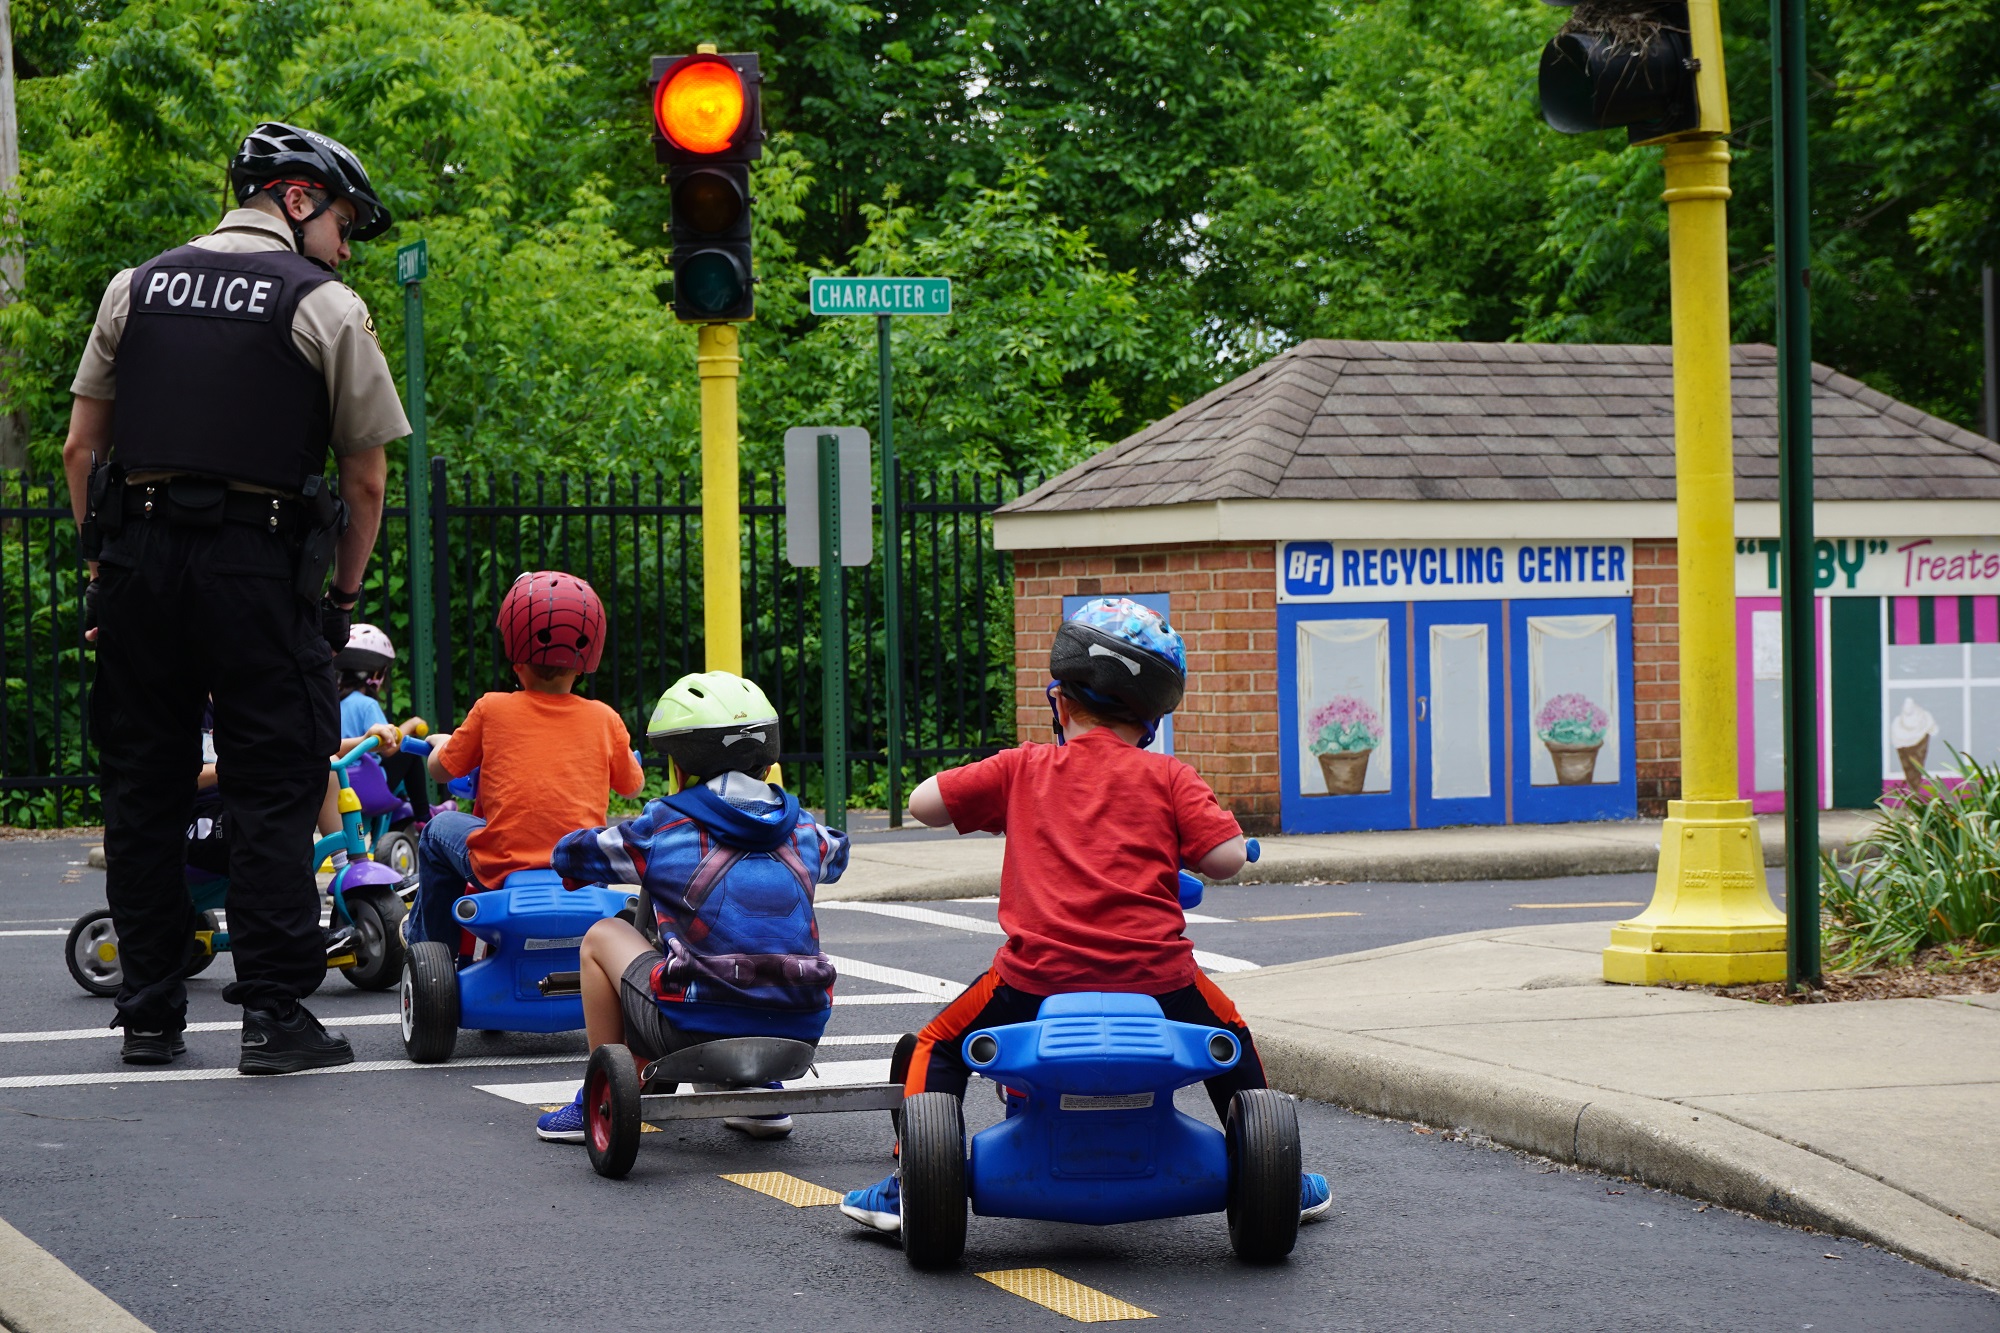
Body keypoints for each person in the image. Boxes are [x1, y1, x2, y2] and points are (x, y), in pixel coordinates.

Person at [62, 122, 406, 1071]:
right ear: (297, 198)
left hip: (138, 566)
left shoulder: (134, 286)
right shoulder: (324, 303)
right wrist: (338, 601)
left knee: (144, 791)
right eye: (343, 221)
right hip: (257, 573)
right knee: (273, 788)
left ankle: (149, 1011)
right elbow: (366, 479)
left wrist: (104, 571)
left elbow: (80, 451)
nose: (344, 245)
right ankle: (273, 1018)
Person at [839, 597, 1332, 1233]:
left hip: (1036, 981)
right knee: (1231, 1039)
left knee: (936, 1045)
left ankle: (911, 1185)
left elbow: (923, 803)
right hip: (1158, 981)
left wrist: (998, 790)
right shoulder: (1170, 777)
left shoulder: (1022, 768)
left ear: (1060, 701)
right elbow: (1227, 858)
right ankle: (1279, 1179)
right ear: (1153, 718)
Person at [532, 671, 848, 1145]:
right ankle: (759, 1088)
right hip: (800, 1030)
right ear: (766, 765)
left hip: (692, 1028)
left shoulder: (662, 827)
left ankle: (595, 1095)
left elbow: (570, 856)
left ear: (682, 767)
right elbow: (839, 855)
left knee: (602, 936)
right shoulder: (806, 830)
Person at [412, 571, 646, 952]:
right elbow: (632, 786)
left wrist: (441, 744)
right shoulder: (605, 718)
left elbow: (442, 769)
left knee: (437, 832)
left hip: (503, 866)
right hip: (583, 869)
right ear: (586, 660)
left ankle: (433, 948)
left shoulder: (492, 708)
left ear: (515, 654)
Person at [333, 622, 432, 824]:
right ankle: (424, 818)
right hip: (368, 786)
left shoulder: (333, 704)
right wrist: (412, 724)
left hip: (338, 784)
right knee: (409, 754)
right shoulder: (367, 705)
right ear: (376, 675)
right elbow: (388, 745)